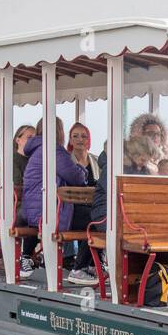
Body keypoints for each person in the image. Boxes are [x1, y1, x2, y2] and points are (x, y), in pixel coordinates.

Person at [17, 117, 87, 276]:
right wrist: (81, 169)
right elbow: (77, 178)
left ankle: (26, 256)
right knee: (94, 220)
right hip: (48, 212)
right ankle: (81, 268)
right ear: (60, 132)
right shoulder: (53, 150)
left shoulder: (37, 150)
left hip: (33, 211)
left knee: (82, 214)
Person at [64, 122, 101, 286]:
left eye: (84, 136)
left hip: (92, 207)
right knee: (95, 223)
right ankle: (79, 267)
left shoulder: (96, 160)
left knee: (102, 219)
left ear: (89, 140)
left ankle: (94, 265)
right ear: (70, 140)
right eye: (75, 136)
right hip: (72, 209)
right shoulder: (66, 160)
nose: (80, 139)